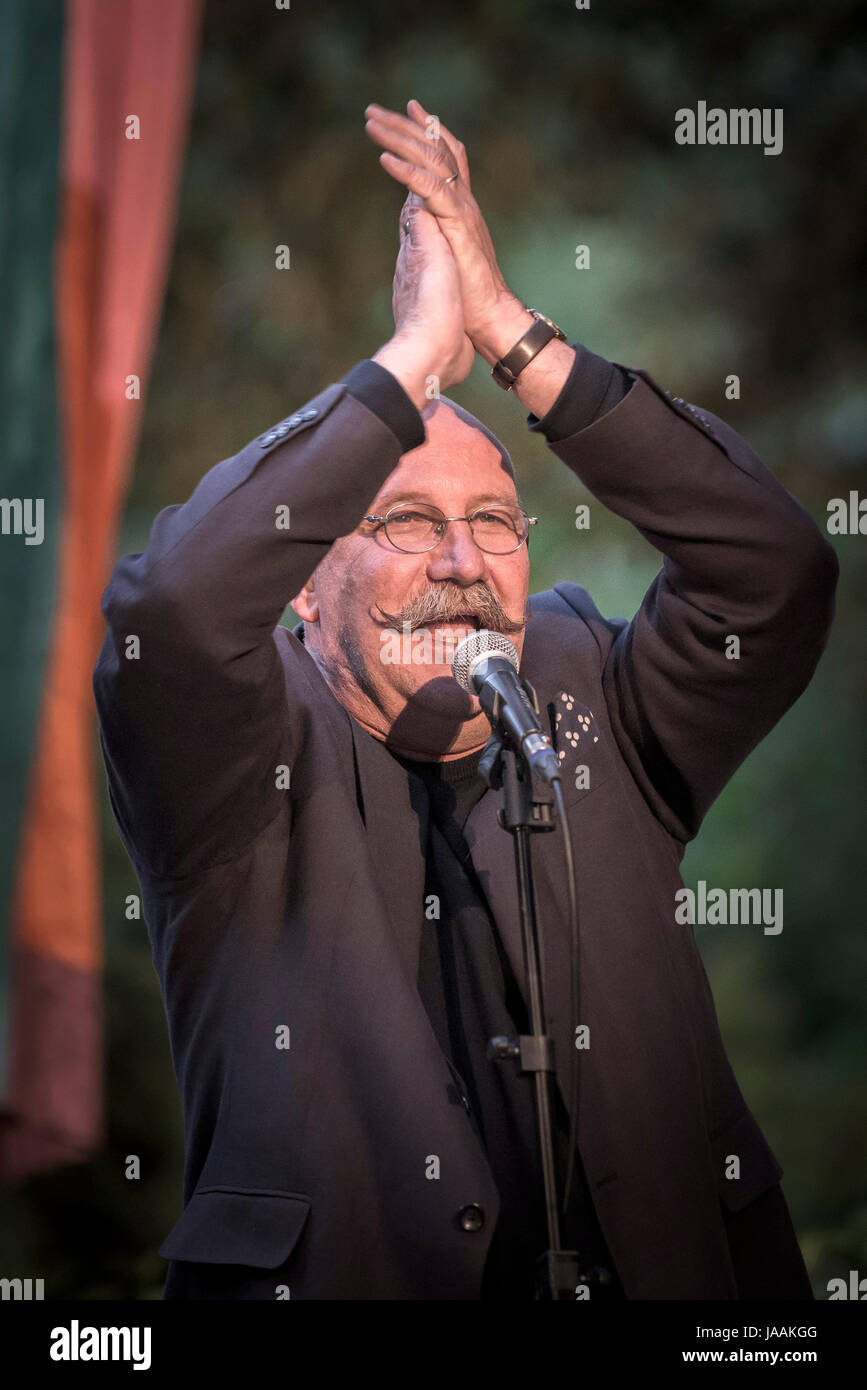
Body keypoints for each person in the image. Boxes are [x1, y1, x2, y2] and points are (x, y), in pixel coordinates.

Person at [93, 101, 837, 1300]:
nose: (461, 562)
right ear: (302, 587)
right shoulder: (237, 744)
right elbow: (173, 612)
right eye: (402, 523)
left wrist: (505, 331)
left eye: (495, 523)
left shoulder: (581, 676)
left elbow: (779, 572)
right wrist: (405, 367)